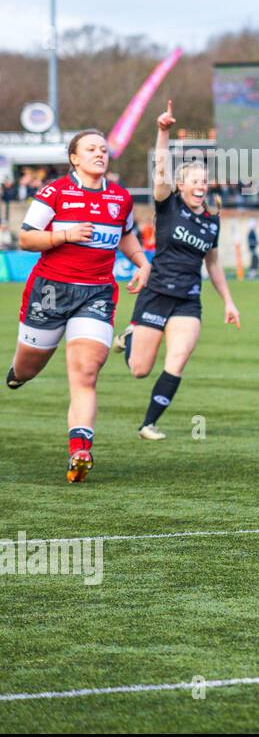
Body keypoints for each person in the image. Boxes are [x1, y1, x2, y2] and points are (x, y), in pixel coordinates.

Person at [6, 130, 151, 482]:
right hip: (50, 292)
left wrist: (142, 262)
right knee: (27, 369)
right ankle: (17, 374)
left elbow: (127, 234)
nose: (99, 154)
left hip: (96, 293)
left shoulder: (120, 197)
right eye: (91, 149)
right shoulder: (54, 192)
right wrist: (64, 235)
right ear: (74, 158)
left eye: (103, 149)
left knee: (86, 371)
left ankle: (80, 450)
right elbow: (26, 237)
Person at [115, 101, 239, 440]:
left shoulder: (211, 222)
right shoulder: (167, 205)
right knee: (140, 370)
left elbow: (212, 264)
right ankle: (129, 338)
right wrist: (163, 132)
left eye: (205, 181)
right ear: (181, 185)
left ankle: (148, 423)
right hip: (155, 294)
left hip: (188, 299)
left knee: (179, 357)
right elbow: (159, 170)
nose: (201, 185)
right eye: (194, 181)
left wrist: (229, 301)